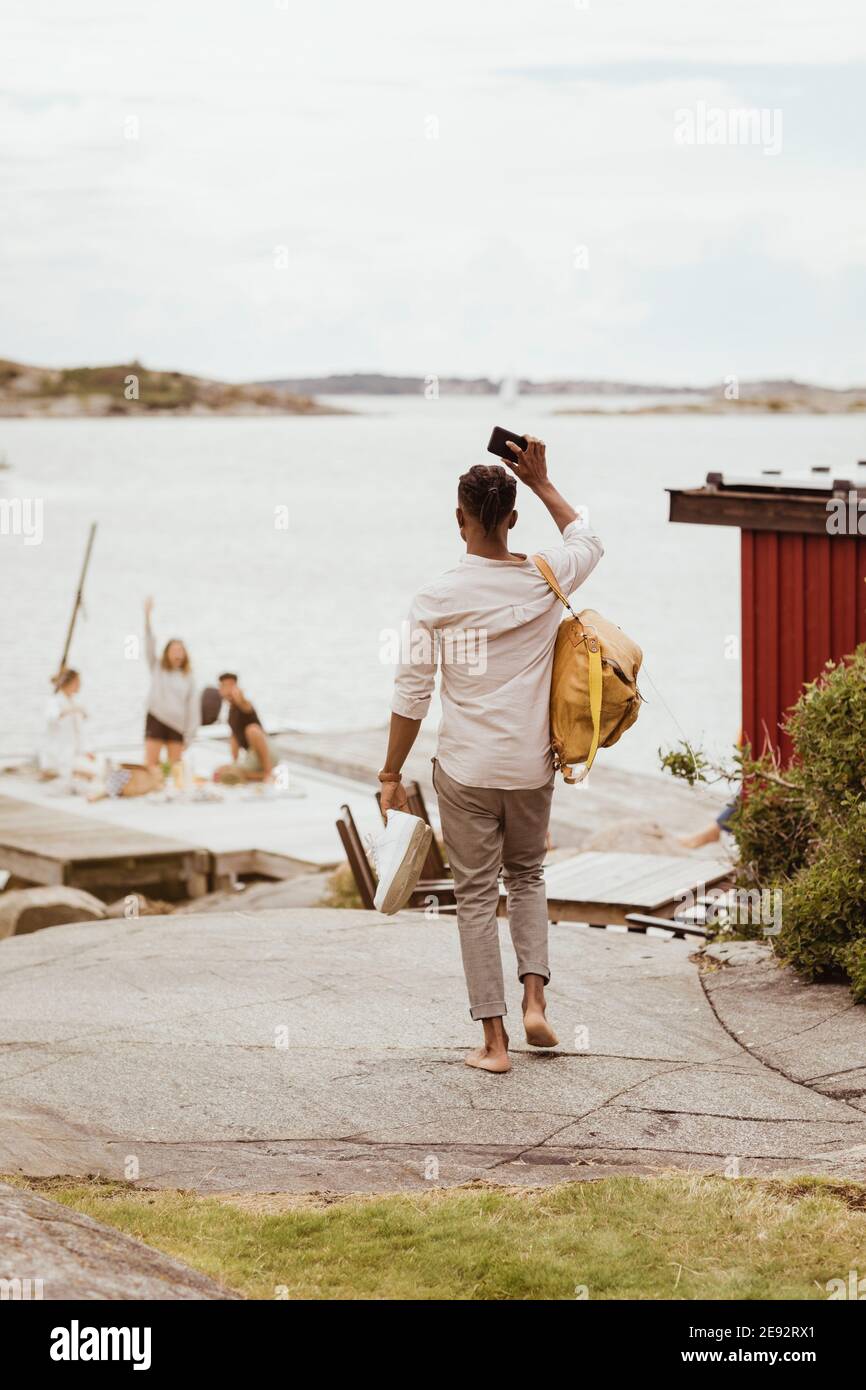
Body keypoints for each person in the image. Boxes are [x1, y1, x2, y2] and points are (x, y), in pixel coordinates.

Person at [378, 436, 603, 1073]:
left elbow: (411, 696)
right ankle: (537, 1000)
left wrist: (391, 771)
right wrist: (541, 480)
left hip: (466, 771)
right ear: (512, 518)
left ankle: (495, 1043)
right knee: (527, 876)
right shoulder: (544, 575)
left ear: (459, 518)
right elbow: (589, 537)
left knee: (476, 898)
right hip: (531, 768)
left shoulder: (436, 598)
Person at [142, 597, 198, 771]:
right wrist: (147, 616)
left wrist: (190, 734)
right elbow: (149, 645)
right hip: (157, 718)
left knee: (175, 768)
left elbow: (193, 708)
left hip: (177, 725)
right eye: (174, 650)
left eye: (180, 650)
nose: (177, 654)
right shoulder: (158, 667)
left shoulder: (188, 677)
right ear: (166, 653)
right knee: (151, 765)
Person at [214, 673, 277, 782]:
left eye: (231, 686)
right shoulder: (230, 713)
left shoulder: (245, 704)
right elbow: (234, 739)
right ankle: (259, 776)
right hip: (252, 756)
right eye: (224, 686)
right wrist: (234, 763)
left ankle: (268, 772)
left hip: (266, 752)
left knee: (252, 729)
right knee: (220, 772)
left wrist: (239, 696)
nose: (228, 689)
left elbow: (243, 702)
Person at [40, 669, 92, 782]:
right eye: (78, 682)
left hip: (72, 753)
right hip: (58, 755)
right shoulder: (54, 701)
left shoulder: (74, 701)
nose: (80, 685)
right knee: (91, 775)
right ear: (71, 682)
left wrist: (86, 750)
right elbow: (52, 717)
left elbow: (78, 733)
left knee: (95, 771)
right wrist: (73, 709)